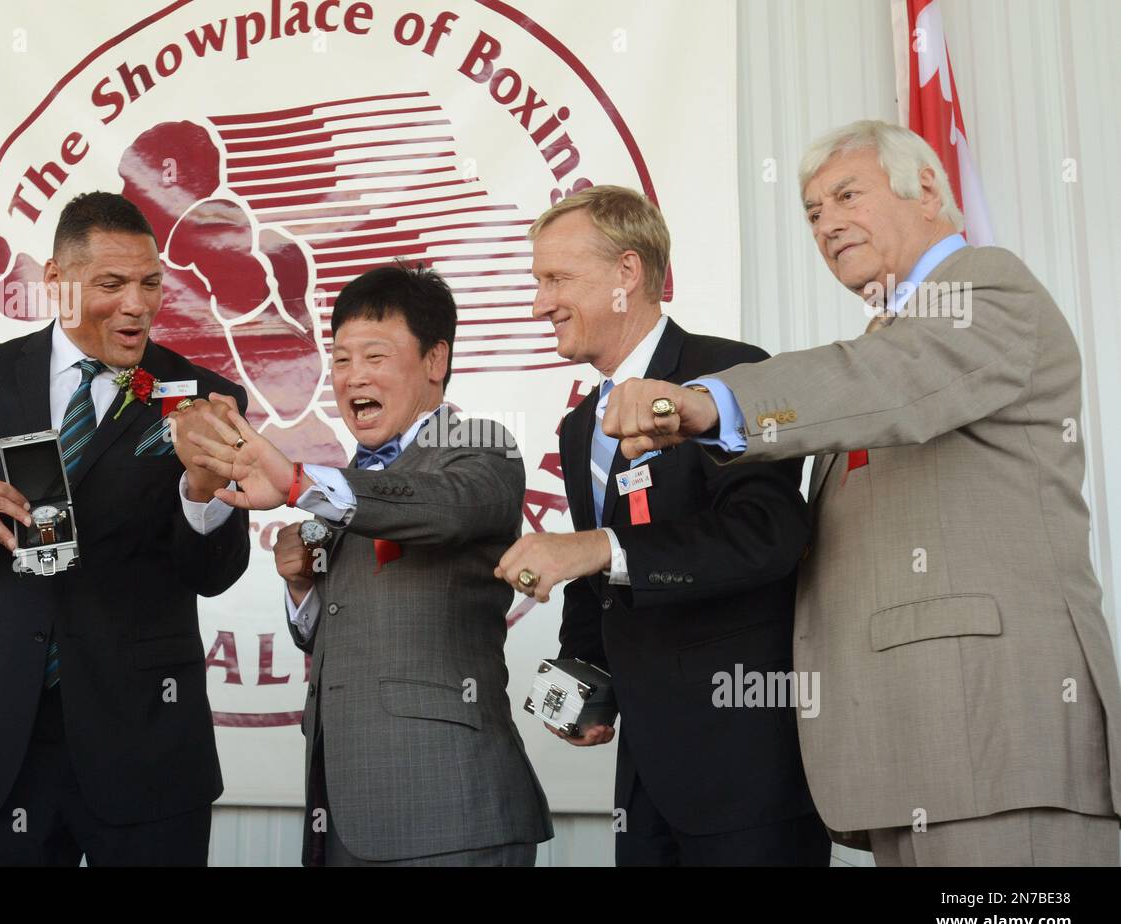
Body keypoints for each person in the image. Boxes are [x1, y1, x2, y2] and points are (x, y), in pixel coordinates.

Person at [601, 121, 1121, 866]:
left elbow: (874, 379)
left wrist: (711, 401)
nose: (828, 222)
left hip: (1003, 751)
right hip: (916, 761)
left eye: (848, 195)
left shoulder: (988, 289)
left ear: (929, 191)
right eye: (812, 211)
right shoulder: (889, 344)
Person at [0, 191, 250, 865]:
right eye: (111, 285)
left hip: (147, 745)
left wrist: (202, 491)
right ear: (56, 283)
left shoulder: (199, 399)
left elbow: (216, 572)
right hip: (5, 742)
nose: (136, 305)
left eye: (150, 284)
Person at [496, 186, 829, 865]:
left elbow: (767, 535)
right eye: (537, 282)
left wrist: (598, 545)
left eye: (556, 279)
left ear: (627, 274)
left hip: (746, 775)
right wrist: (582, 676)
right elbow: (601, 580)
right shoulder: (578, 425)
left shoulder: (728, 379)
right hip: (645, 781)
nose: (539, 303)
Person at [189, 263, 553, 866]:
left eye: (375, 357)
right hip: (343, 816)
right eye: (341, 360)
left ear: (435, 361)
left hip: (451, 815)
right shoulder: (345, 481)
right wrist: (302, 585)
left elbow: (446, 511)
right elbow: (324, 635)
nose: (353, 376)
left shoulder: (480, 445)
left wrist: (299, 481)